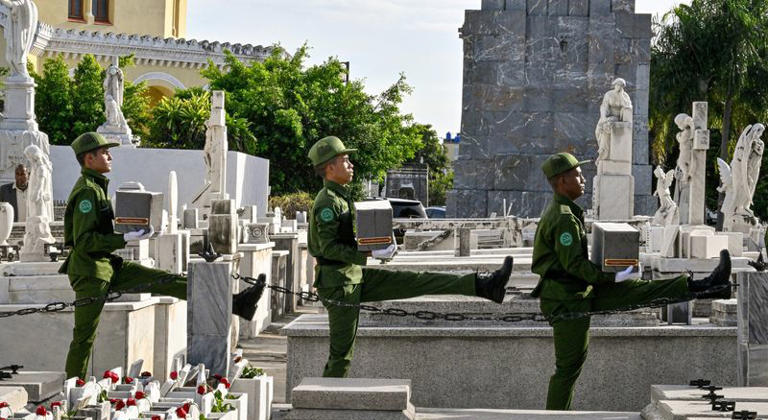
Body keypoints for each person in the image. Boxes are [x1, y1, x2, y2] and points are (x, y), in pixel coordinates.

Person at [531, 152, 732, 411]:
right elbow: (575, 266)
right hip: (568, 302)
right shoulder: (563, 218)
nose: (583, 179)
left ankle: (708, 286)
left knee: (641, 290)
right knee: (567, 369)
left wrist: (619, 274)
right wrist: (616, 275)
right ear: (561, 181)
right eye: (577, 175)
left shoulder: (565, 212)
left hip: (576, 294)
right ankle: (553, 417)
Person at [60, 132, 264, 379]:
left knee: (165, 280)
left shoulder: (97, 188)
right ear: (89, 159)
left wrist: (134, 227)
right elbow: (84, 243)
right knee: (84, 337)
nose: (110, 156)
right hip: (90, 272)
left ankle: (237, 302)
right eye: (104, 152)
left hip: (106, 266)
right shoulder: (87, 193)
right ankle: (71, 390)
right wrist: (123, 238)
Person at [307, 136, 513, 377]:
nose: (351, 164)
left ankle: (483, 285)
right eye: (345, 160)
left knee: (417, 279)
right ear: (330, 167)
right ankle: (323, 406)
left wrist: (383, 239)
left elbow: (346, 241)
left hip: (351, 276)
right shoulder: (328, 202)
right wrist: (369, 253)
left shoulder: (339, 197)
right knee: (341, 355)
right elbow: (329, 247)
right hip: (338, 284)